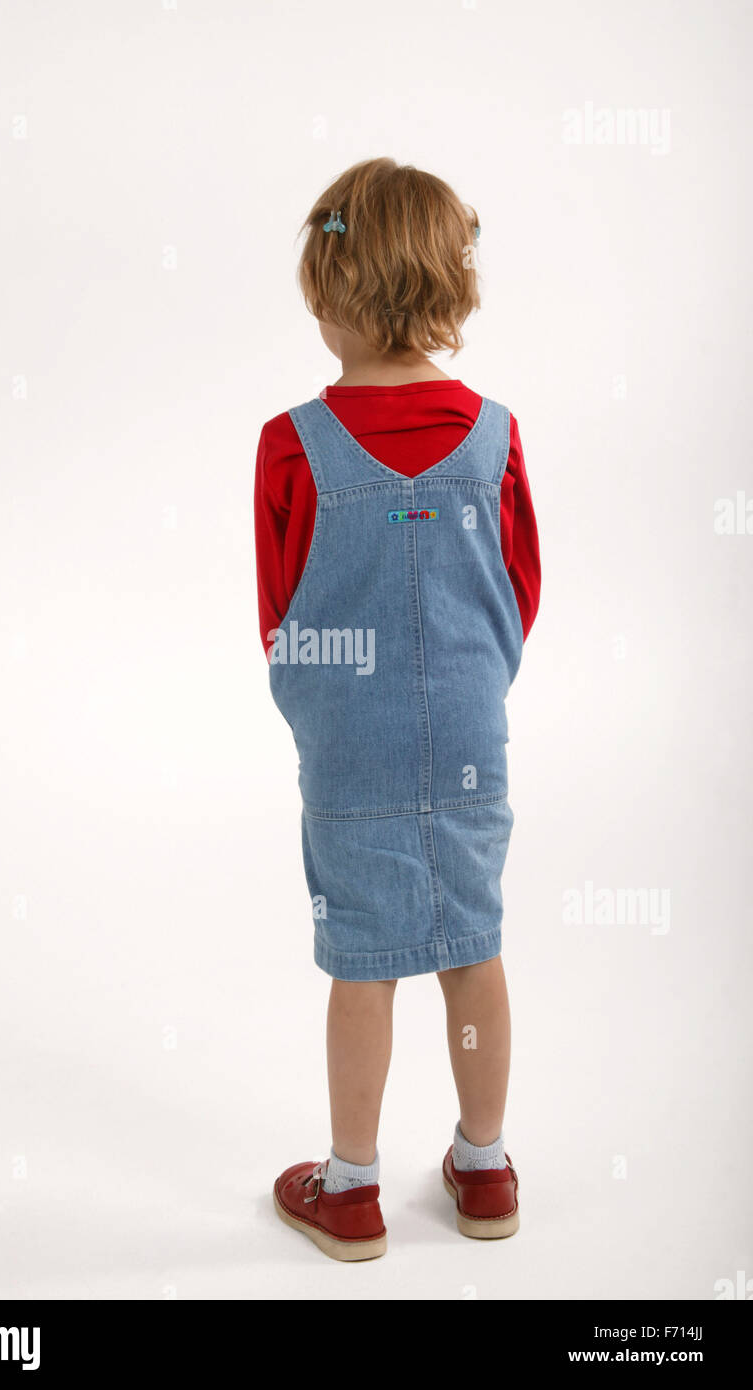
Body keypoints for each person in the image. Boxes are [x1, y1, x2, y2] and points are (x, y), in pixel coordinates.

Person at [254, 158, 540, 1261]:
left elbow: (279, 603)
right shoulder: (499, 436)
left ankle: (353, 1187)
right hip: (474, 740)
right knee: (474, 944)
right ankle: (483, 1166)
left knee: (361, 961)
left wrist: (325, 690)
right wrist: (469, 682)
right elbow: (522, 584)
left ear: (330, 289)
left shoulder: (293, 442)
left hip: (349, 750)